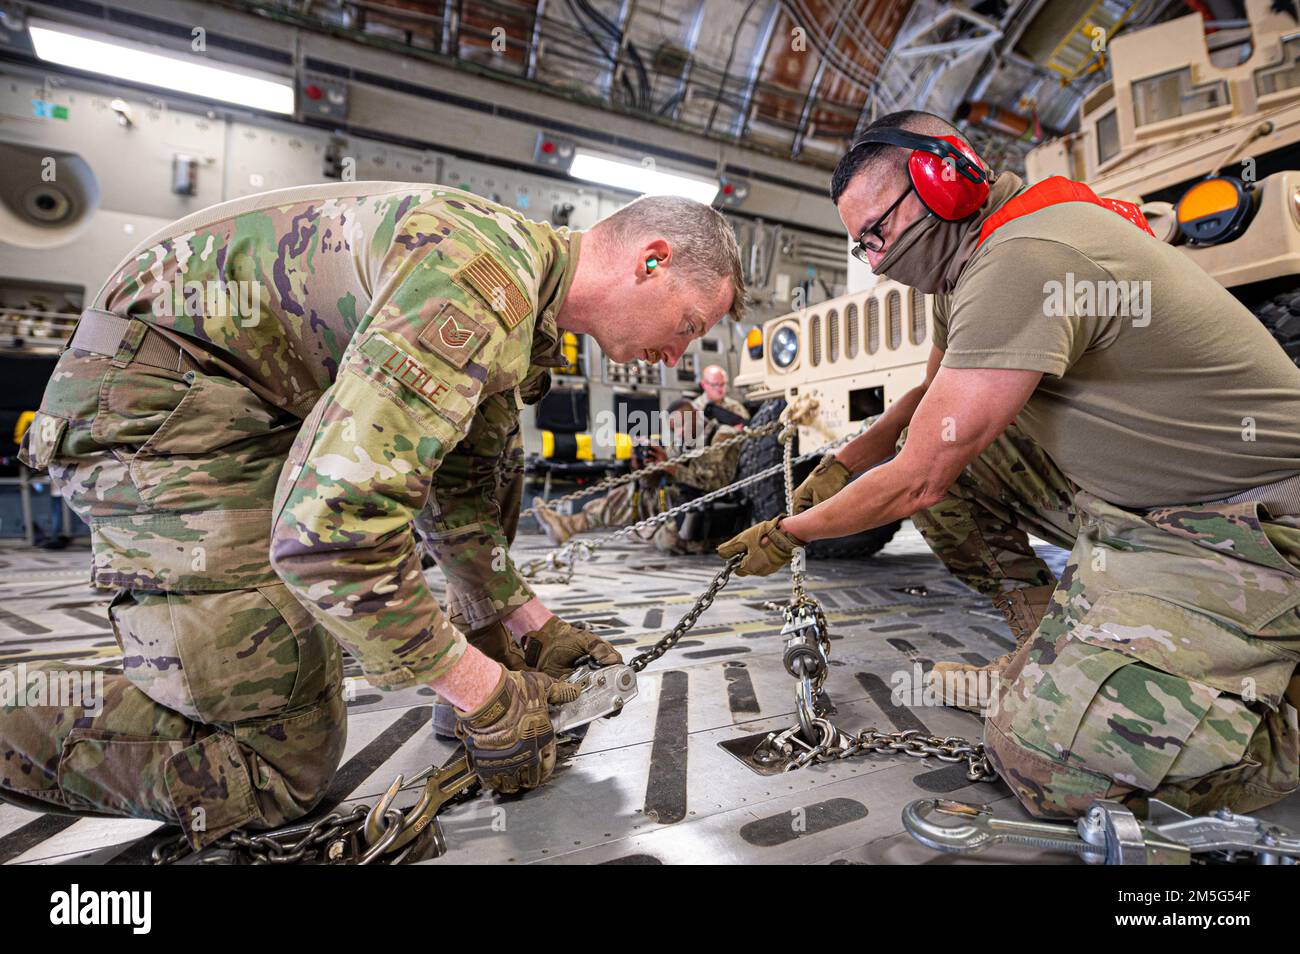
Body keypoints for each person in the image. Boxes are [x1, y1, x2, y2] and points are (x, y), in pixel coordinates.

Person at [4, 182, 744, 849]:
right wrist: (485, 697)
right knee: (272, 764)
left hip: (236, 410)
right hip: (160, 412)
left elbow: (462, 496)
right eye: (687, 322)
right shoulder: (477, 284)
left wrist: (530, 628)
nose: (678, 352)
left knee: (475, 493)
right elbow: (330, 532)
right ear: (651, 260)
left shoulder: (523, 300)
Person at [719, 110, 1300, 821]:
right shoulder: (968, 266)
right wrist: (842, 464)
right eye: (860, 244)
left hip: (1252, 524)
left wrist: (790, 532)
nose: (873, 259)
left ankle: (1279, 712)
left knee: (1038, 763)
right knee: (961, 471)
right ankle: (1046, 649)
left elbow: (919, 474)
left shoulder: (1023, 257)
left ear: (945, 181)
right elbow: (930, 400)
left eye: (878, 231)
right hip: (1136, 511)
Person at [535, 398, 741, 553]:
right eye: (672, 429)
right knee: (629, 492)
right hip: (682, 503)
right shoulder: (683, 443)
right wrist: (642, 465)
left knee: (665, 540)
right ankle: (569, 525)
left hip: (710, 508)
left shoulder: (723, 434)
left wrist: (669, 466)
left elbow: (716, 481)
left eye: (678, 427)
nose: (676, 434)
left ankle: (643, 532)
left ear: (696, 416)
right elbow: (650, 483)